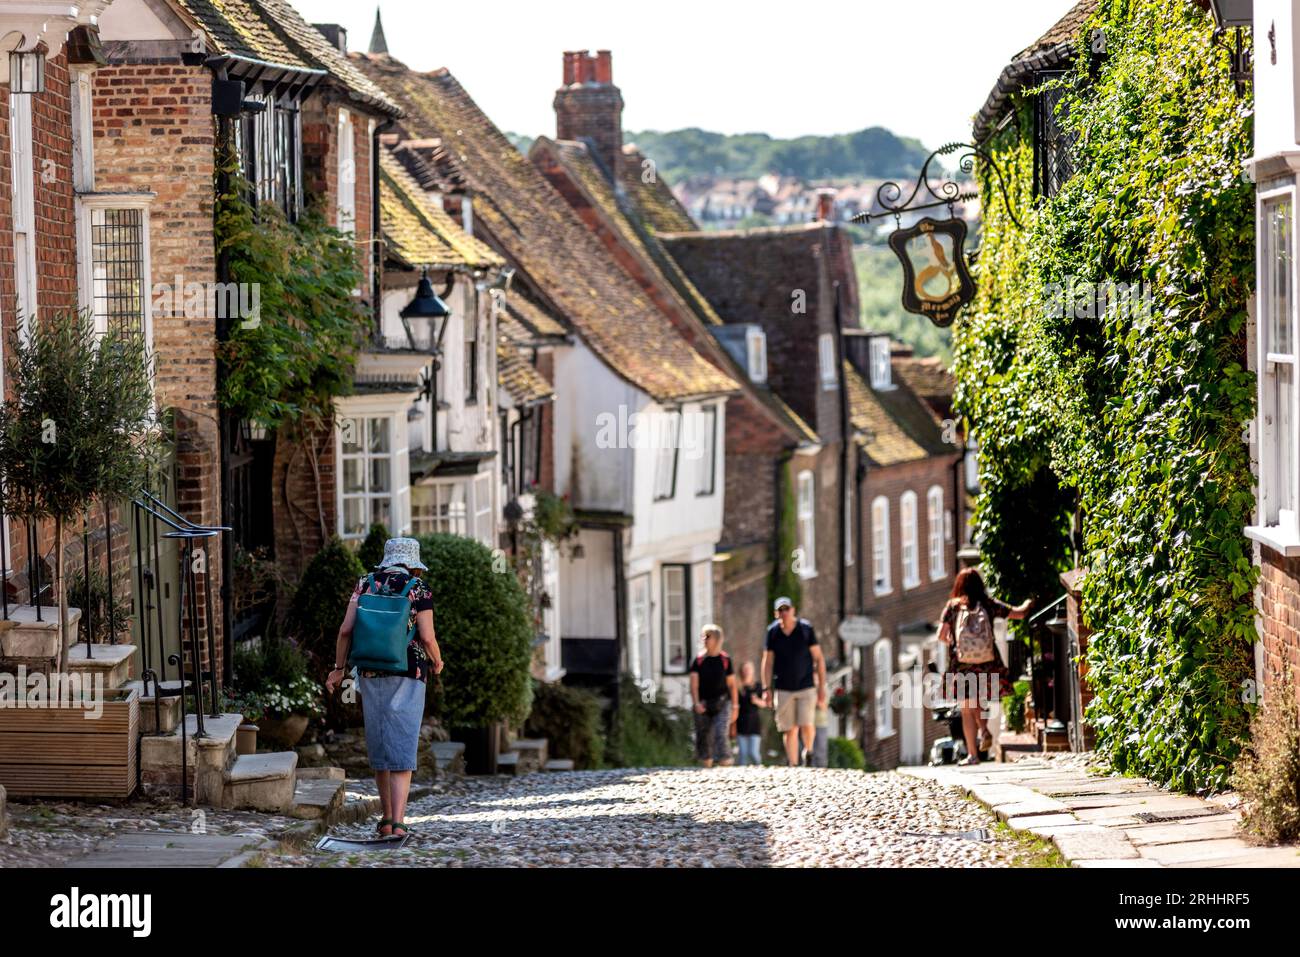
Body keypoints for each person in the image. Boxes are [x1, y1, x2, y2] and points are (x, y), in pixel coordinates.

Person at [325, 537, 443, 837]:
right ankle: (399, 823)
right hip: (409, 670)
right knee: (402, 741)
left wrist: (339, 670)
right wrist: (437, 661)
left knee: (379, 742)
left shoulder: (364, 584)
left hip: (370, 670)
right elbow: (427, 637)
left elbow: (345, 630)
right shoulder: (418, 589)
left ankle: (386, 818)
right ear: (413, 564)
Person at [937, 567, 1031, 766]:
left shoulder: (953, 607)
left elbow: (941, 635)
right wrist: (1029, 602)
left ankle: (973, 755)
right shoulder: (988, 604)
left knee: (966, 707)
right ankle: (984, 729)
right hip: (987, 662)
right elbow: (1019, 614)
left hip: (961, 663)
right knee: (978, 700)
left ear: (959, 585)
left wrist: (956, 645)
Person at [761, 597, 827, 767]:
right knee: (789, 729)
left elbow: (819, 659)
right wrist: (766, 688)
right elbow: (767, 662)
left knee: (806, 723)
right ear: (776, 613)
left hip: (806, 685)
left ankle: (809, 750)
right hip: (782, 687)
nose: (784, 613)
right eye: (780, 610)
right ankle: (793, 764)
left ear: (793, 610)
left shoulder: (805, 629)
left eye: (787, 609)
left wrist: (821, 688)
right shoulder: (773, 632)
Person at [689, 624, 737, 767]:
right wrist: (696, 703)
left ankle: (725, 761)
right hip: (703, 703)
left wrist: (735, 706)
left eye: (708, 636)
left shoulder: (725, 660)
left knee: (720, 732)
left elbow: (732, 685)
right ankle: (707, 765)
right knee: (703, 736)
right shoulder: (698, 660)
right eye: (703, 636)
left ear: (717, 639)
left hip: (723, 702)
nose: (704, 639)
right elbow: (694, 685)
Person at [734, 661, 768, 766]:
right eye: (744, 669)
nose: (747, 672)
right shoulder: (737, 687)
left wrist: (757, 701)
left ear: (752, 671)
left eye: (748, 669)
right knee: (742, 754)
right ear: (741, 671)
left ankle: (760, 770)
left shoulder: (758, 686)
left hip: (754, 723)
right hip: (740, 723)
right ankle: (741, 776)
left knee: (753, 753)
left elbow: (765, 704)